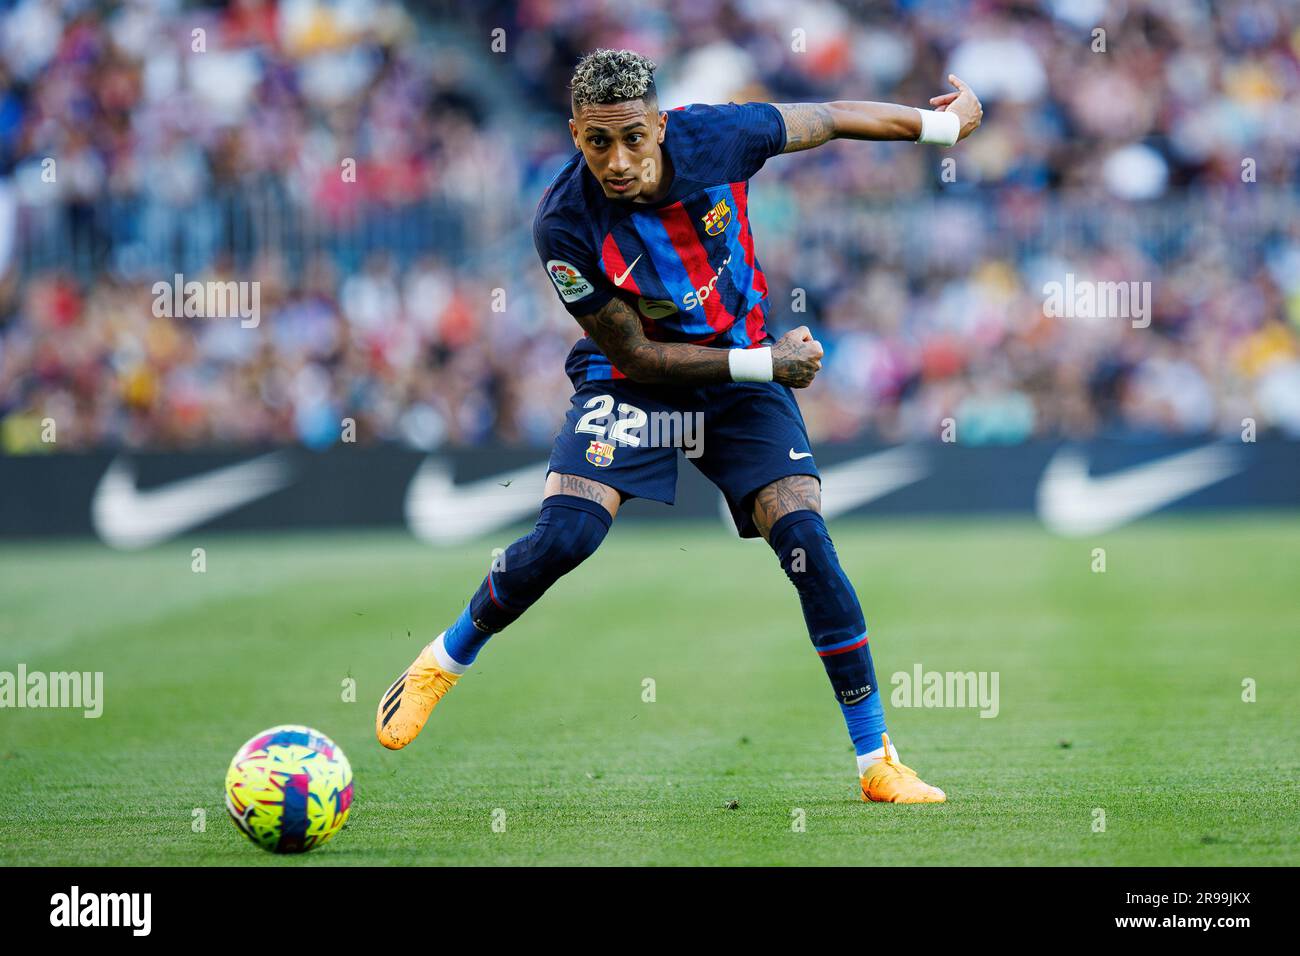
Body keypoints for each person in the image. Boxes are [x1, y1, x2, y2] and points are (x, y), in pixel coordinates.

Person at [378, 48, 982, 803]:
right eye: (599, 142)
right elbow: (635, 351)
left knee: (806, 541)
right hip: (640, 383)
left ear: (661, 126)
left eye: (634, 136)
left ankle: (877, 763)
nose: (619, 160)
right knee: (568, 535)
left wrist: (938, 127)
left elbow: (828, 119)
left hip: (742, 368)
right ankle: (444, 658)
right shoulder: (564, 225)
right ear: (575, 135)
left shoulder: (716, 138)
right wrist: (765, 366)